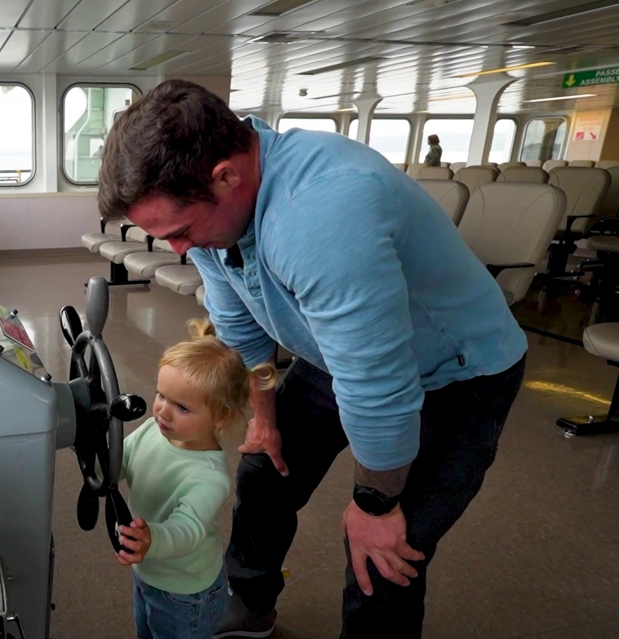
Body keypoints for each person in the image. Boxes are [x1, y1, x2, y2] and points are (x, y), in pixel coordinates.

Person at [97, 79, 527, 639]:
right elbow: (243, 331)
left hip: (458, 374)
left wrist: (374, 505)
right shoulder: (215, 220)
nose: (179, 249)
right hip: (332, 355)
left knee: (385, 552)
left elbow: (378, 385)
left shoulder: (321, 212)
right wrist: (266, 421)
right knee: (264, 473)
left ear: (225, 174)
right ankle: (249, 602)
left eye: (179, 233)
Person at [114, 319, 276, 639]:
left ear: (222, 416)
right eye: (161, 395)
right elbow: (119, 464)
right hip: (148, 568)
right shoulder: (152, 429)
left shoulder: (208, 477)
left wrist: (152, 540)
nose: (162, 411)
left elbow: (187, 529)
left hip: (185, 592)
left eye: (182, 407)